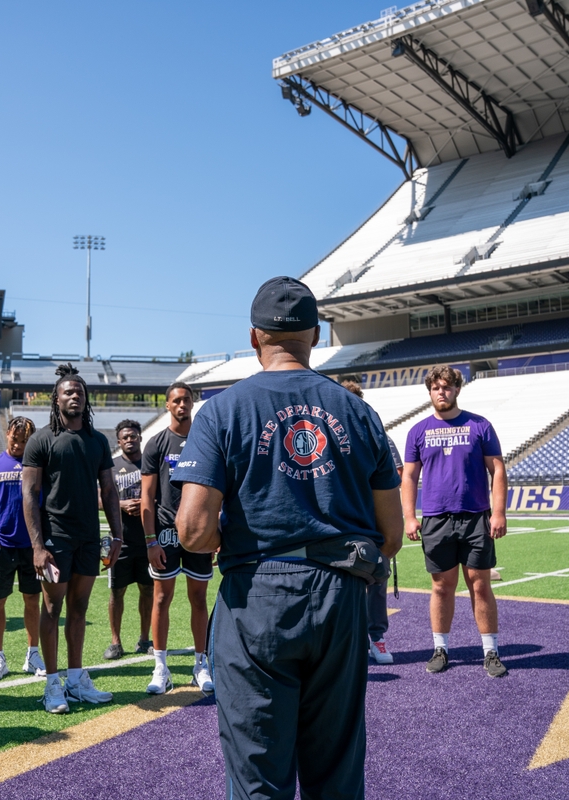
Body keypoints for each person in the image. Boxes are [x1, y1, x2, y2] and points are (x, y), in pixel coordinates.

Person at [175, 277, 403, 800]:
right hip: (340, 595)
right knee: (336, 774)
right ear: (316, 334)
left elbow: (191, 531)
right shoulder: (359, 412)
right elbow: (391, 534)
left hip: (255, 596)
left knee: (259, 777)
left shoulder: (222, 410)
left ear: (255, 337)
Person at [22, 364, 123, 714]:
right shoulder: (41, 439)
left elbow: (109, 490)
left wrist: (118, 533)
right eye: (68, 391)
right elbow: (29, 493)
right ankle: (52, 683)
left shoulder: (97, 440)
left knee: (79, 608)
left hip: (89, 537)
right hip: (55, 539)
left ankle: (77, 680)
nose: (74, 396)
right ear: (57, 398)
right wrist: (37, 546)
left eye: (79, 392)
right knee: (52, 609)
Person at [401, 364, 509, 678]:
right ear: (430, 391)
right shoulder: (418, 431)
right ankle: (440, 648)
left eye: (447, 387)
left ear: (457, 389)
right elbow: (409, 476)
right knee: (441, 588)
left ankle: (490, 652)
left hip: (475, 518)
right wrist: (410, 516)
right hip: (436, 520)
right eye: (436, 388)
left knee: (480, 585)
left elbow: (498, 470)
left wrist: (499, 512)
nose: (441, 392)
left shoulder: (480, 425)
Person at [143, 382, 213, 694]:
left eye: (186, 400)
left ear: (192, 403)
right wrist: (150, 541)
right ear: (167, 405)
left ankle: (201, 663)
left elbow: (217, 490)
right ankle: (161, 667)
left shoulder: (207, 441)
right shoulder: (156, 443)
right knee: (161, 597)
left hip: (199, 532)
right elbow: (146, 496)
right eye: (176, 401)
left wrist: (215, 532)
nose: (182, 405)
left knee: (198, 598)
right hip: (165, 532)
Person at [0, 416, 45, 680]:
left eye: (25, 441)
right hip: (2, 545)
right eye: (15, 439)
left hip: (32, 547)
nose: (19, 445)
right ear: (7, 435)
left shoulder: (39, 467)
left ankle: (33, 654)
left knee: (32, 600)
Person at [340, 375, 402, 665]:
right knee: (342, 583)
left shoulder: (378, 434)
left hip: (373, 522)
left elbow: (397, 474)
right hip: (343, 521)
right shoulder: (331, 436)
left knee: (376, 581)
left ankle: (377, 638)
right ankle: (350, 641)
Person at [104, 419, 153, 660]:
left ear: (140, 437)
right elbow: (98, 498)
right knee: (117, 591)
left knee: (148, 589)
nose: (130, 440)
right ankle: (115, 642)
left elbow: (164, 495)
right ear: (119, 441)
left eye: (134, 436)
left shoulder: (151, 463)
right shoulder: (111, 467)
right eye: (125, 437)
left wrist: (146, 504)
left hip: (148, 539)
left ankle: (145, 639)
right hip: (119, 539)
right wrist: (120, 504)